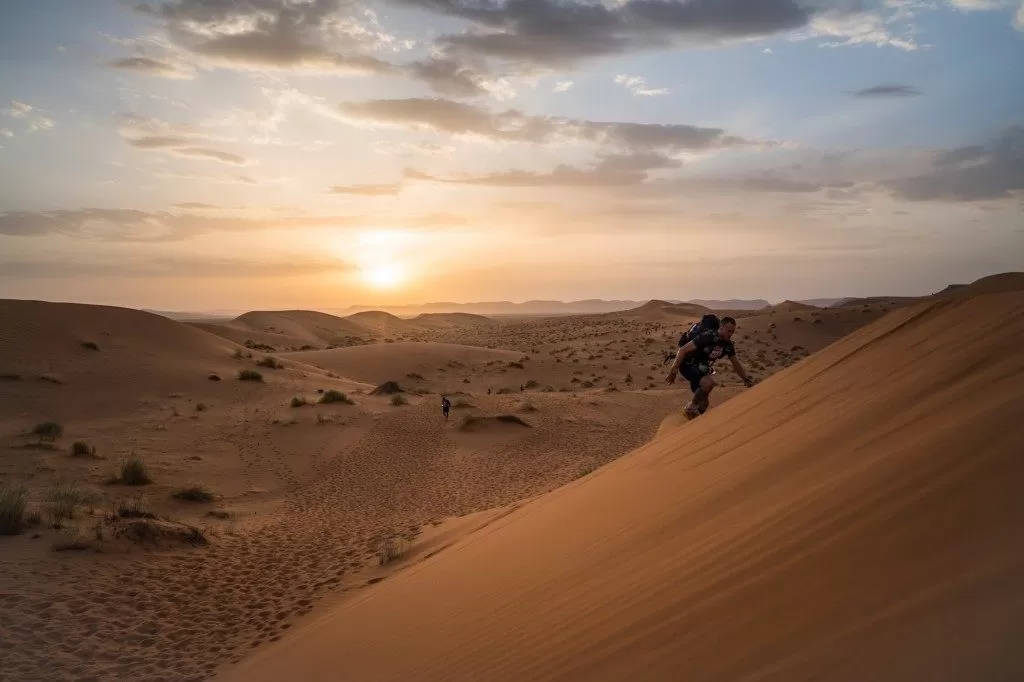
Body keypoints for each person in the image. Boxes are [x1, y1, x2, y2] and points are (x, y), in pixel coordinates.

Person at [665, 316, 754, 418]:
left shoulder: (727, 345)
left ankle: (690, 423)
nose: (730, 334)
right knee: (709, 383)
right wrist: (674, 369)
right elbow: (683, 350)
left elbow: (736, 363)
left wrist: (746, 379)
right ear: (721, 327)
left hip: (700, 368)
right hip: (687, 364)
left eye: (732, 332)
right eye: (728, 331)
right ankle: (689, 408)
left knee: (703, 404)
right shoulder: (708, 336)